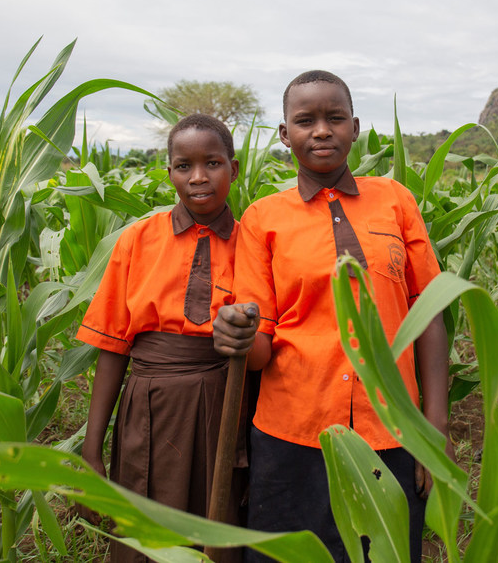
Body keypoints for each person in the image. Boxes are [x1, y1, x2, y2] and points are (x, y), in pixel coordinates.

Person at [213, 70, 452, 563]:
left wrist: (435, 426)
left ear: (355, 128)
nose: (321, 130)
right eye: (305, 121)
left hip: (392, 428)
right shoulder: (262, 218)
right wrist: (236, 334)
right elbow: (260, 349)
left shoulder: (396, 200)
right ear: (285, 134)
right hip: (293, 434)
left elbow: (428, 314)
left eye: (335, 118)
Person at [78, 113, 243, 563]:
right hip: (149, 404)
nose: (198, 177)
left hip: (225, 404)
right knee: (146, 527)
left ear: (233, 168)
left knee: (218, 522)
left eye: (212, 163)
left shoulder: (252, 243)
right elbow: (113, 346)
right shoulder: (137, 239)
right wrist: (91, 451)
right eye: (183, 166)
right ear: (169, 172)